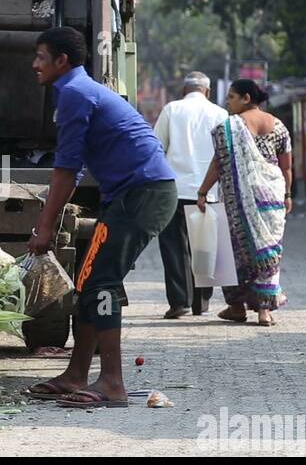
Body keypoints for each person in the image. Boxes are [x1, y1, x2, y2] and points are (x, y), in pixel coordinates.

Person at [25, 27, 177, 408]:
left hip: (143, 192)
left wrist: (44, 227)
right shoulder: (76, 91)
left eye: (41, 57)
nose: (34, 65)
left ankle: (112, 382)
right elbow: (72, 172)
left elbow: (65, 169)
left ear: (62, 61)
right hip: (136, 192)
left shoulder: (76, 94)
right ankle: (77, 374)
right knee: (90, 281)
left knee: (102, 283)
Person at [196, 79, 291, 327]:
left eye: (231, 97)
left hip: (237, 201)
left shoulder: (228, 127)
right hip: (271, 198)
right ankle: (264, 311)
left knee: (233, 252)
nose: (227, 102)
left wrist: (203, 191)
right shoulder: (279, 126)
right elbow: (286, 166)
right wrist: (288, 194)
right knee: (269, 252)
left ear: (246, 98)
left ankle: (237, 307)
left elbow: (218, 164)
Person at [153, 71, 228, 318]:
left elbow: (157, 147)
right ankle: (201, 303)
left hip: (174, 188)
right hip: (210, 191)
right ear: (207, 91)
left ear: (185, 90)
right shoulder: (220, 114)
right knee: (205, 247)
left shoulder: (171, 109)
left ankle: (179, 302)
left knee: (174, 245)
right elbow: (225, 156)